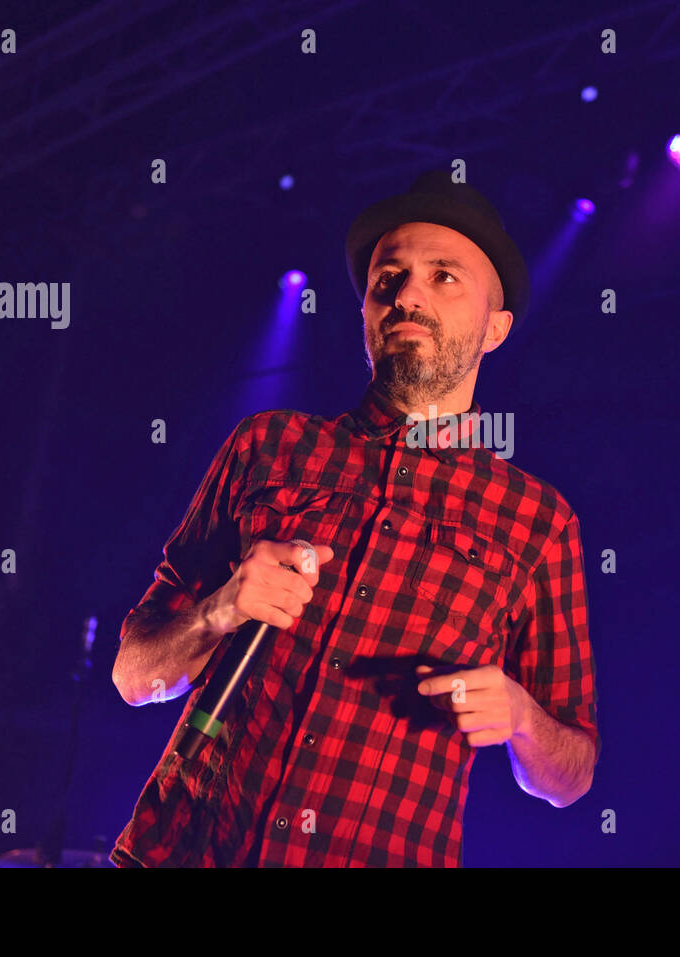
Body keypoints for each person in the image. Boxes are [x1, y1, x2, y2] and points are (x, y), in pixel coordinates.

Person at [109, 169, 600, 866]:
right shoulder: (269, 446)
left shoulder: (537, 521)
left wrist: (521, 717)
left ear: (496, 328)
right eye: (388, 279)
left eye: (444, 277)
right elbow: (134, 675)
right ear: (364, 317)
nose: (407, 295)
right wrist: (217, 611)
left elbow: (571, 775)